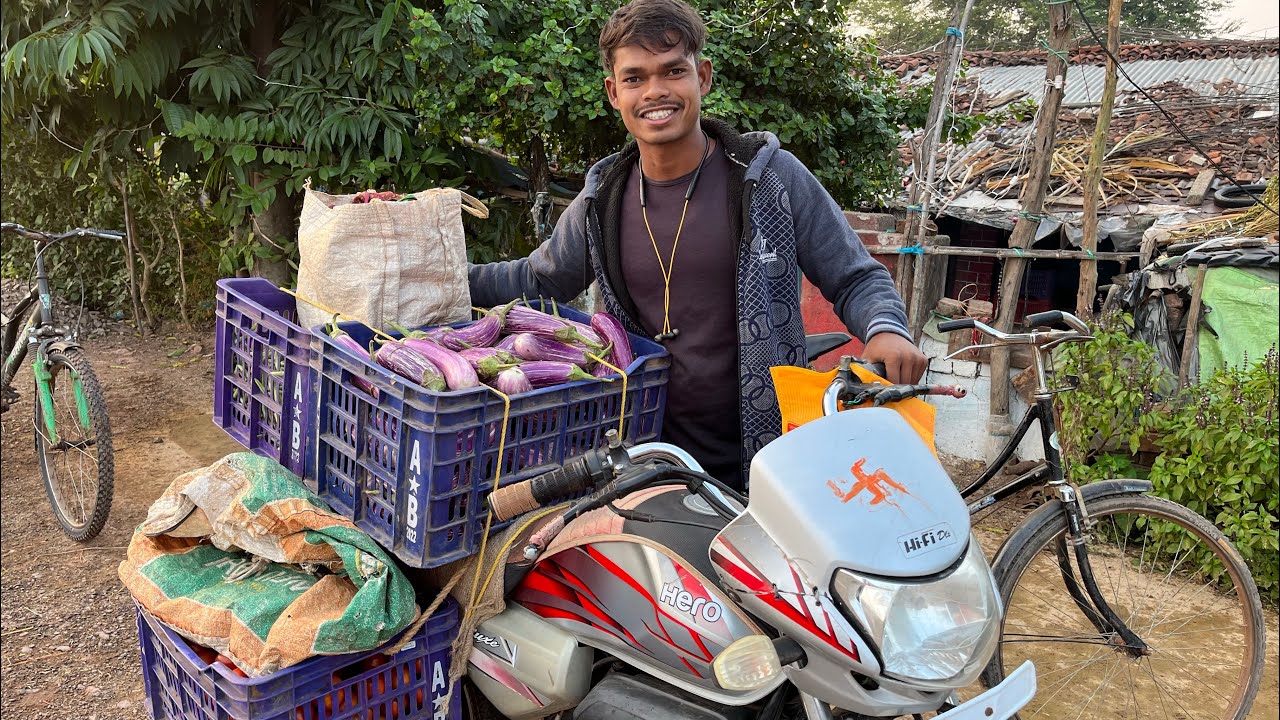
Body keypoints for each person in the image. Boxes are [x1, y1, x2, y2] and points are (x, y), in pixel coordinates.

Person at [469, 0, 927, 490]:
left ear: (702, 77)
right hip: (643, 458)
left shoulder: (768, 178)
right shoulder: (602, 198)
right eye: (635, 78)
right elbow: (539, 280)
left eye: (673, 71)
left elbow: (854, 275)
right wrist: (423, 265)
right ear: (613, 93)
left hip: (768, 459)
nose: (655, 92)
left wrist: (885, 328)